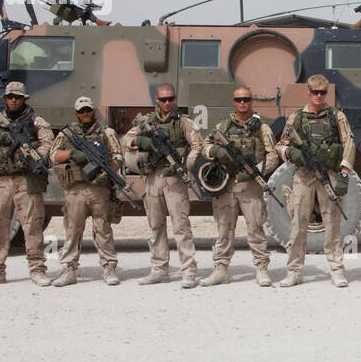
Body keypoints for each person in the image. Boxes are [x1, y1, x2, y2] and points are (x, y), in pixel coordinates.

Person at [0, 81, 54, 287]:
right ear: (5, 99)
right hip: (1, 180)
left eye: (18, 97)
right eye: (10, 97)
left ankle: (37, 269)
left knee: (32, 225)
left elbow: (48, 144)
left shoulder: (37, 122)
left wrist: (35, 158)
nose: (14, 100)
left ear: (24, 99)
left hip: (26, 179)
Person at [277, 74, 356, 288]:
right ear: (309, 92)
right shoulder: (296, 118)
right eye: (315, 92)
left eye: (323, 92)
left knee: (332, 223)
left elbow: (349, 143)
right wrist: (292, 154)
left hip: (328, 174)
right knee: (298, 223)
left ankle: (337, 269)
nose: (319, 96)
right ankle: (294, 270)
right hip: (303, 176)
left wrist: (344, 172)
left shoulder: (336, 116)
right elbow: (281, 144)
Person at [122, 83, 203, 289]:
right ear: (156, 100)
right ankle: (159, 269)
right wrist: (140, 141)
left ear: (175, 99)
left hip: (174, 178)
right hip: (152, 179)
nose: (167, 103)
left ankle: (188, 271)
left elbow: (196, 146)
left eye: (170, 99)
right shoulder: (147, 121)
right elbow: (126, 140)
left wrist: (185, 166)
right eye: (163, 99)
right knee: (156, 226)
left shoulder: (183, 122)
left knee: (180, 225)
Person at [201, 86, 279, 287]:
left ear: (251, 101)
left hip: (250, 186)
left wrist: (257, 171)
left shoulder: (262, 128)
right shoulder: (223, 126)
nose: (242, 103)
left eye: (246, 99)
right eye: (238, 100)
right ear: (234, 102)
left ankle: (261, 267)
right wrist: (216, 150)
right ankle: (221, 268)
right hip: (226, 186)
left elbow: (272, 155)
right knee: (224, 229)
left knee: (255, 227)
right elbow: (204, 147)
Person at [49, 96, 122, 287]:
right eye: (81, 111)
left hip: (99, 189)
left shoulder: (107, 132)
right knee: (72, 230)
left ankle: (109, 268)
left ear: (93, 110)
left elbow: (118, 157)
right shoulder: (67, 134)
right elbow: (53, 156)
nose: (85, 113)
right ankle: (69, 269)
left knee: (103, 229)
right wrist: (72, 154)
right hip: (76, 190)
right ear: (76, 113)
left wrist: (107, 172)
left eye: (88, 110)